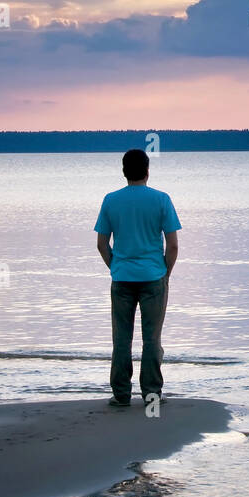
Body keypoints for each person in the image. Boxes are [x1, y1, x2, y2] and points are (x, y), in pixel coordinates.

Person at [94, 149, 181, 408]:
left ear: (124, 171)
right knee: (152, 339)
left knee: (121, 338)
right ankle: (151, 393)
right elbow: (173, 245)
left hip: (122, 277)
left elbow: (101, 244)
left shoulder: (111, 200)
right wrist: (165, 273)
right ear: (147, 171)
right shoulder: (161, 199)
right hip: (153, 276)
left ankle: (121, 395)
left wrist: (116, 266)